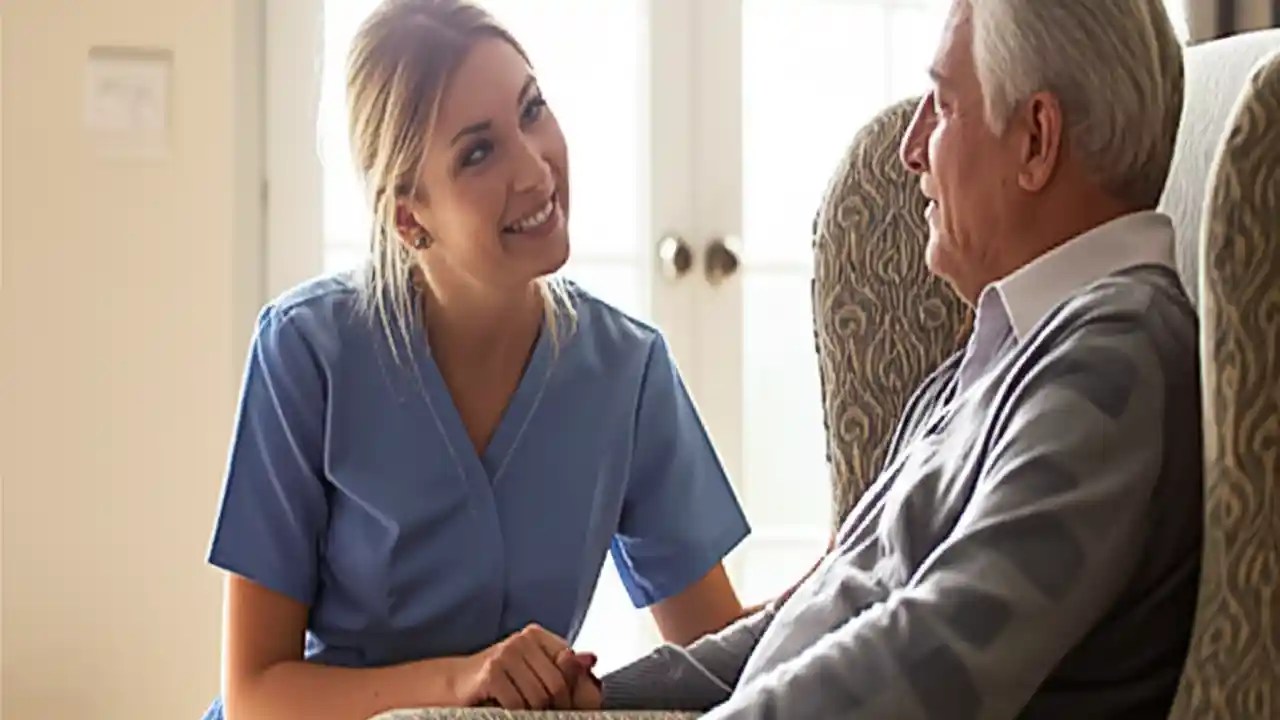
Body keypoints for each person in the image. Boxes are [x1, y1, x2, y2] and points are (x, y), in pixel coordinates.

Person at [593, 1, 1201, 717]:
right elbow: (818, 612)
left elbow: (937, 655)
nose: (911, 148)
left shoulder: (1116, 363)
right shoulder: (1008, 354)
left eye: (941, 107)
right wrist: (598, 699)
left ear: (1036, 139)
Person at [201, 1, 754, 717]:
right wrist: (464, 681)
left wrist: (852, 573)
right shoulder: (306, 354)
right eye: (477, 152)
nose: (534, 169)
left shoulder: (628, 371)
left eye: (532, 110)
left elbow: (717, 652)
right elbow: (254, 695)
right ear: (409, 216)